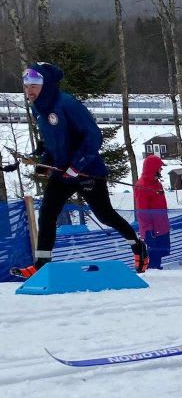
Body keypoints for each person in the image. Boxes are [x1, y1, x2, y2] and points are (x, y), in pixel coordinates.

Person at [11, 63, 148, 279]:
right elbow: (54, 140)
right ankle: (42, 264)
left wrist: (77, 165)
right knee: (47, 213)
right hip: (62, 171)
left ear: (46, 85)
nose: (30, 90)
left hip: (87, 170)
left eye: (35, 85)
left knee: (105, 215)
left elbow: (93, 136)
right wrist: (45, 159)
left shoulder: (67, 104)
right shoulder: (39, 107)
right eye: (27, 85)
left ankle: (137, 245)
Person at [134, 154, 170, 270]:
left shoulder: (157, 184)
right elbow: (141, 212)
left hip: (161, 227)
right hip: (152, 230)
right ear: (153, 168)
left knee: (159, 255)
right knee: (152, 257)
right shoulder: (142, 186)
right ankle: (152, 275)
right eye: (159, 167)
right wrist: (147, 230)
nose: (161, 169)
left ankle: (157, 270)